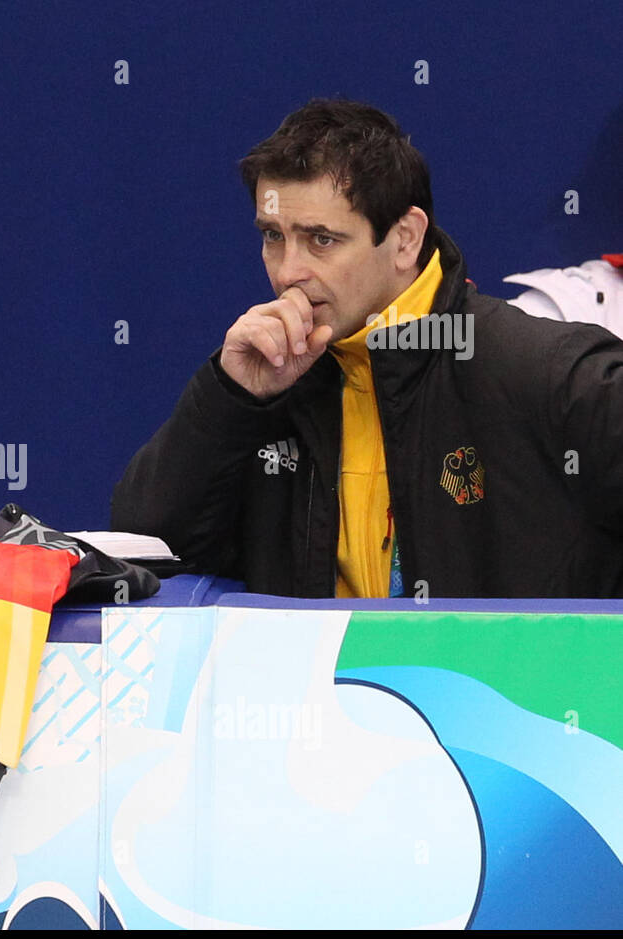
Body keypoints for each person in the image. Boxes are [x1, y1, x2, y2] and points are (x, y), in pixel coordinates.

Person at [111, 98, 623, 599]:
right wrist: (231, 399)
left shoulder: (544, 372)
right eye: (273, 236)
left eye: (322, 240)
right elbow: (152, 551)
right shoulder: (264, 382)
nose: (288, 271)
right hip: (316, 685)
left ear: (405, 239)